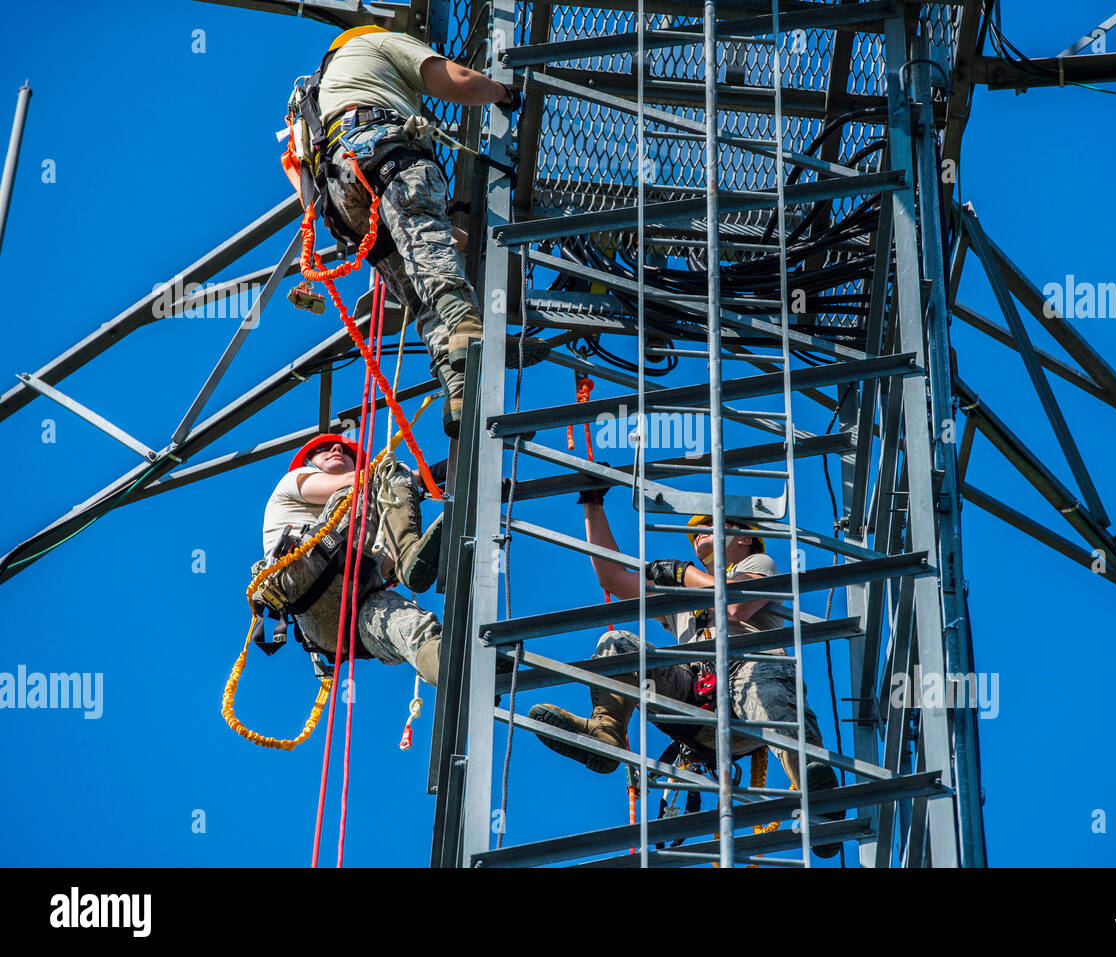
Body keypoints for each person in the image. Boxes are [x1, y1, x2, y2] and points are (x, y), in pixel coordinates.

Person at [528, 487, 844, 856]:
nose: (699, 533)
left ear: (744, 538)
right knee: (618, 647)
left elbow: (734, 607)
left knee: (768, 692)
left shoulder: (758, 565)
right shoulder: (684, 594)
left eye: (710, 525)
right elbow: (613, 579)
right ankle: (606, 734)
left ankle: (814, 793)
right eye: (697, 531)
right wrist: (592, 504)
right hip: (696, 703)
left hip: (750, 679)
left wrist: (684, 575)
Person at [311, 25, 549, 436]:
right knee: (426, 242)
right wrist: (505, 95)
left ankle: (458, 390)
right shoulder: (376, 42)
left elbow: (305, 191)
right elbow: (457, 82)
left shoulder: (310, 99)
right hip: (380, 148)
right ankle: (468, 330)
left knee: (420, 293)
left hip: (342, 199)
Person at [258, 433, 443, 685]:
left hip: (336, 628)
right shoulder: (294, 480)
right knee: (384, 472)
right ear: (308, 463)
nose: (336, 448)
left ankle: (454, 669)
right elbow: (364, 481)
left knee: (413, 629)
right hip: (307, 572)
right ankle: (408, 549)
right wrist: (415, 476)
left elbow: (382, 563)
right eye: (324, 448)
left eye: (348, 453)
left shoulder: (363, 528)